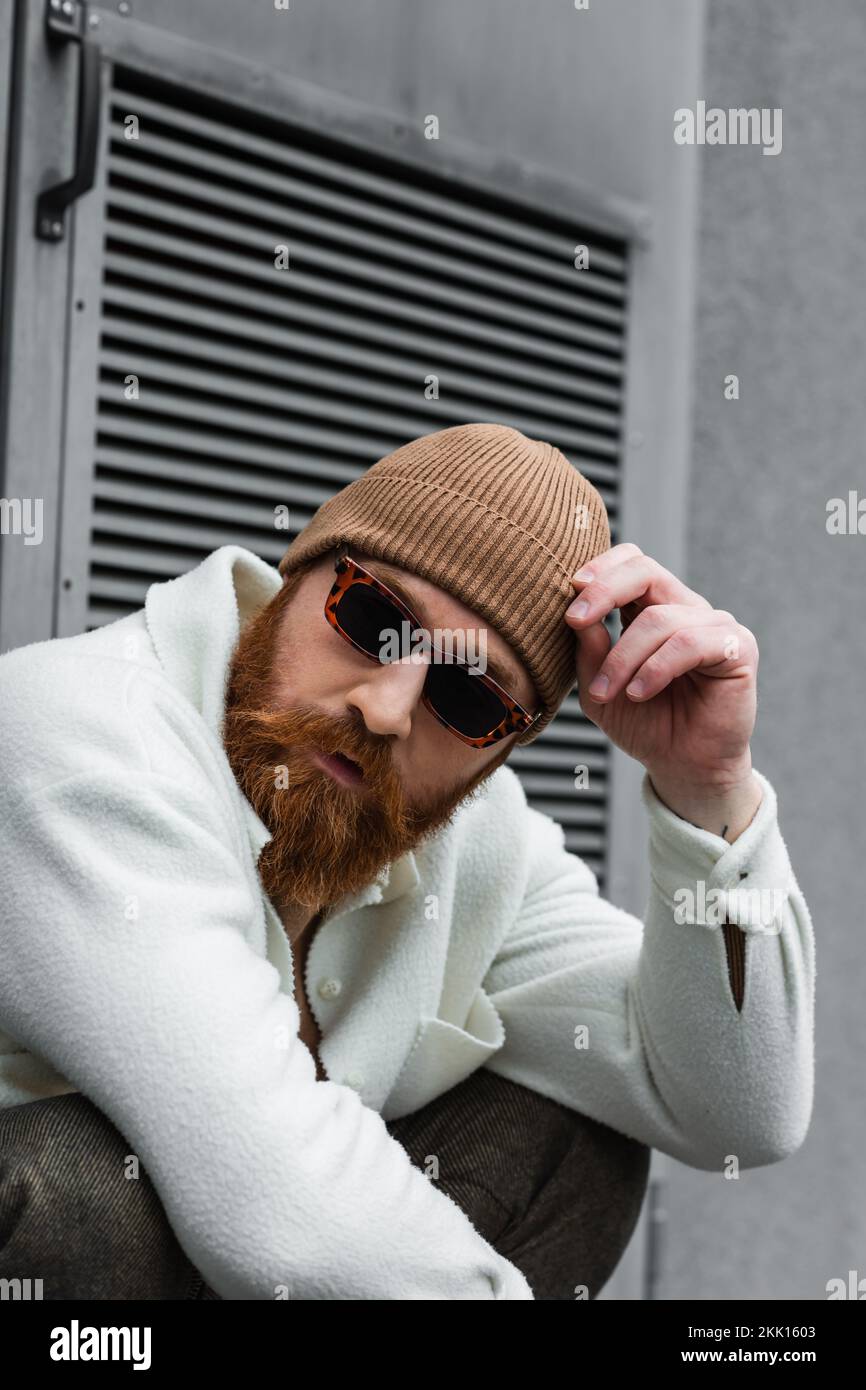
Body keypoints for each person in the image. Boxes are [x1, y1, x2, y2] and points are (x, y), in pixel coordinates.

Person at [0, 423, 814, 1300]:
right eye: (372, 618)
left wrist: (710, 790)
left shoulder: (476, 842)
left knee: (576, 1130)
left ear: (502, 749)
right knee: (81, 1187)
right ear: (298, 571)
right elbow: (284, 1212)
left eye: (468, 694)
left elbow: (737, 1114)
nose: (388, 709)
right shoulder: (79, 734)